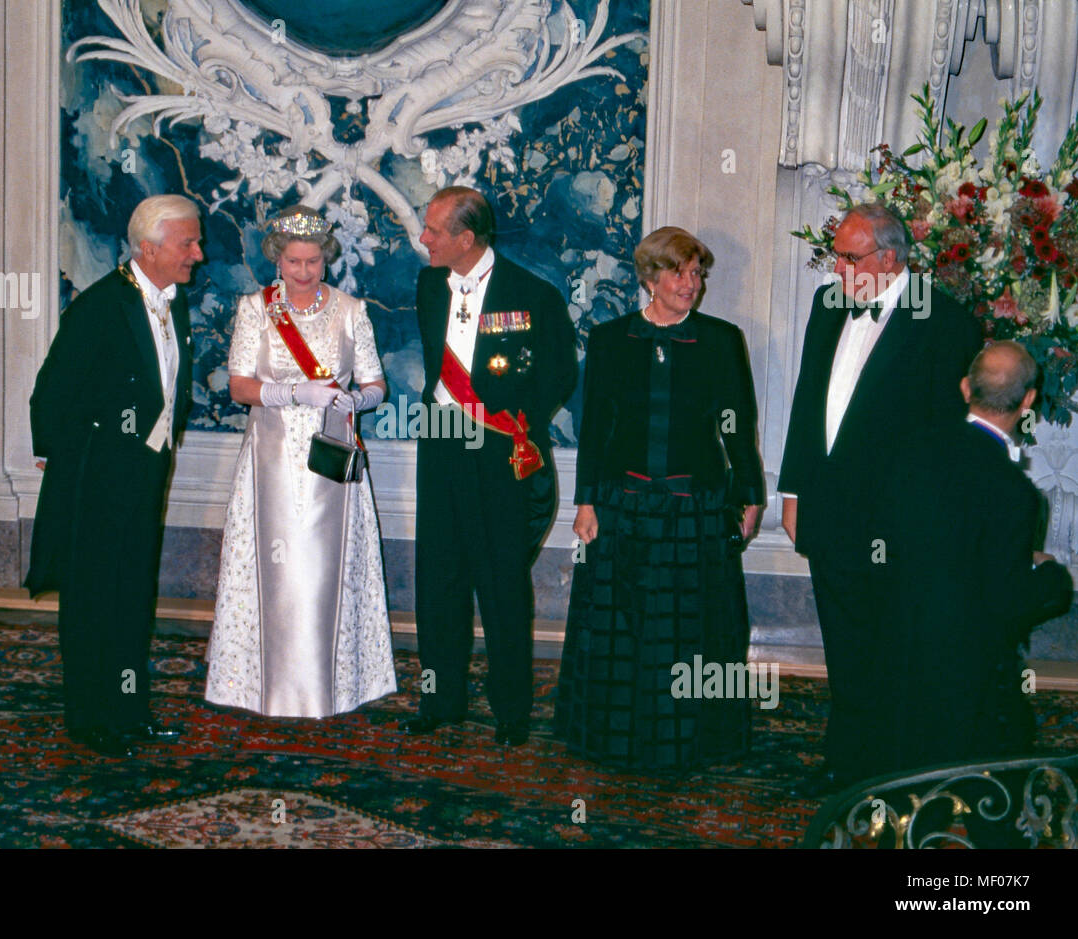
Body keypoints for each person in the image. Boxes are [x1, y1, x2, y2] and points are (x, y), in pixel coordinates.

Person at [779, 202, 983, 796]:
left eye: (848, 257)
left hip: (898, 525)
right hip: (830, 513)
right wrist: (793, 491)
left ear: (891, 258)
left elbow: (946, 438)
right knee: (844, 645)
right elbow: (806, 402)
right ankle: (846, 761)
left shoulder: (946, 324)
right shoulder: (827, 305)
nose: (836, 268)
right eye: (836, 256)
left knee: (895, 648)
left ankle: (898, 772)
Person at [555, 227, 765, 770]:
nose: (690, 283)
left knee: (694, 627)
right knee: (623, 625)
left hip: (696, 507)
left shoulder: (721, 340)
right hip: (623, 505)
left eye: (697, 273)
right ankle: (614, 738)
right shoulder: (608, 340)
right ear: (649, 278)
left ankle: (698, 740)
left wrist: (749, 494)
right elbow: (595, 427)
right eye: (678, 272)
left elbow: (738, 426)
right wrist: (585, 502)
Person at [203, 205, 396, 718]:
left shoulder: (353, 311)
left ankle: (334, 686)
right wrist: (294, 392)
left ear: (326, 258)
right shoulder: (255, 308)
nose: (305, 272)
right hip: (271, 457)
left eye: (313, 261)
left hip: (332, 454)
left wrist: (356, 401)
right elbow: (240, 386)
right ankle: (262, 688)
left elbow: (376, 384)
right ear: (277, 260)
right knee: (277, 566)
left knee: (324, 568)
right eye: (294, 262)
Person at [26, 194, 201, 758]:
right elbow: (51, 396)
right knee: (93, 600)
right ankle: (90, 718)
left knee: (132, 596)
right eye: (187, 243)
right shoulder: (101, 306)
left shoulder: (172, 302)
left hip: (145, 475)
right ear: (148, 248)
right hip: (98, 479)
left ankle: (128, 710)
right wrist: (86, 457)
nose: (197, 254)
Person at [402, 186, 577, 746]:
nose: (423, 239)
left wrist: (516, 420)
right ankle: (440, 699)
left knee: (502, 584)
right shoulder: (429, 285)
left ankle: (511, 711)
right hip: (441, 448)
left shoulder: (534, 294)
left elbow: (560, 374)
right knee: (438, 579)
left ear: (466, 238)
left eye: (433, 230)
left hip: (499, 451)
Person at [876, 341, 1073, 775]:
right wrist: (1054, 576)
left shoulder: (910, 452)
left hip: (898, 659)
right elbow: (1009, 602)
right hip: (971, 679)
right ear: (1027, 400)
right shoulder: (1016, 492)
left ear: (966, 388)